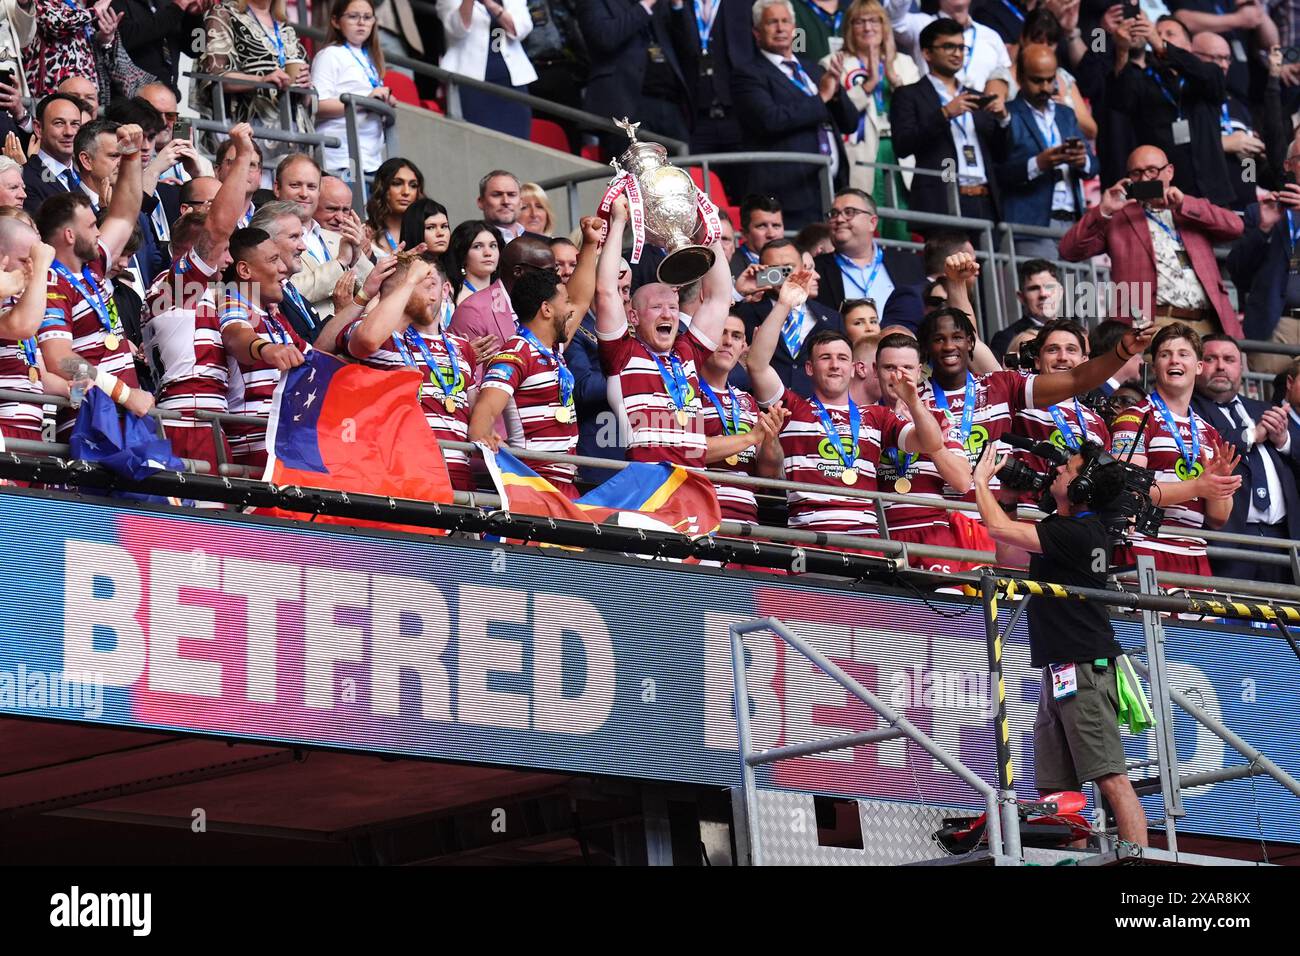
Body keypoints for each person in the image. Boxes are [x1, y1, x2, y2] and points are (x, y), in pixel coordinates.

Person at [972, 440, 1150, 847]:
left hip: (1085, 667)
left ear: (1083, 487)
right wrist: (1007, 497)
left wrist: (980, 482)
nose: (1056, 472)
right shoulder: (1070, 530)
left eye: (1067, 469)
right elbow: (1011, 550)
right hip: (1061, 668)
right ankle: (1075, 858)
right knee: (1058, 789)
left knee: (1110, 777)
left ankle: (1137, 860)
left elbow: (998, 529)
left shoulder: (1079, 532)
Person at [748, 270, 946, 536]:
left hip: (868, 544)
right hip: (810, 541)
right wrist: (784, 303)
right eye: (825, 358)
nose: (834, 365)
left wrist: (913, 401)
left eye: (842, 358)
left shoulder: (877, 416)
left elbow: (931, 442)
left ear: (854, 368)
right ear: (808, 368)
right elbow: (757, 365)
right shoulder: (793, 408)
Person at [918, 301, 1155, 507]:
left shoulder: (1002, 385)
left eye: (957, 338)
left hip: (1013, 519)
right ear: (1037, 360)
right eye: (939, 339)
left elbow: (1078, 379)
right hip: (953, 511)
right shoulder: (916, 399)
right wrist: (958, 284)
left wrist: (1122, 352)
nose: (949, 346)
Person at [142, 121, 255, 477]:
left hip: (210, 419)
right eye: (223, 250)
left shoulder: (216, 293)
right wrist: (243, 157)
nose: (228, 259)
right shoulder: (171, 286)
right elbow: (219, 226)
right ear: (194, 249)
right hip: (187, 421)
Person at [595, 196, 731, 467]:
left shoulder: (686, 352)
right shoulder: (622, 353)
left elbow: (719, 298)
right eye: (657, 307)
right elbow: (606, 290)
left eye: (672, 306)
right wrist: (619, 221)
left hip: (696, 481)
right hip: (649, 480)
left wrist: (711, 231)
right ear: (633, 316)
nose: (668, 314)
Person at [36, 124, 153, 436]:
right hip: (92, 422)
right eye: (91, 226)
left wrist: (130, 157)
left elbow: (125, 215)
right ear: (70, 235)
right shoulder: (50, 284)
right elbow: (60, 359)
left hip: (122, 415)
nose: (99, 231)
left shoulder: (94, 267)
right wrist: (124, 394)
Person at [1059, 145, 1242, 338]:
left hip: (1207, 323)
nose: (1145, 178)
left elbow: (1235, 227)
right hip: (1152, 324)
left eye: (1152, 171)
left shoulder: (1189, 208)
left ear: (1169, 171)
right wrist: (1103, 210)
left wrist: (1184, 204)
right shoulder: (1118, 216)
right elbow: (1069, 250)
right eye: (1137, 173)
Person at [1109, 323, 1241, 577]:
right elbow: (1127, 492)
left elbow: (1218, 518)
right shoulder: (1134, 418)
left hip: (1193, 552)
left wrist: (1219, 488)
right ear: (1154, 365)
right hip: (1142, 547)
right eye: (1165, 354)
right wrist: (1198, 487)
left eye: (1183, 354)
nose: (1174, 361)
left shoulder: (1209, 432)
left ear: (1199, 367)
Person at [341, 255, 481, 492]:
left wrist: (484, 431)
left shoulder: (463, 347)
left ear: (445, 290)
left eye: (430, 285)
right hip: (403, 470)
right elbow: (365, 339)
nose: (429, 295)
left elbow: (473, 409)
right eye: (419, 286)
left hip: (458, 471)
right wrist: (405, 286)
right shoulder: (384, 336)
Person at [733, 0, 857, 230]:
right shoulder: (748, 74)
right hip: (788, 194)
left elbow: (849, 123)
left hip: (831, 187)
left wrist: (836, 93)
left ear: (794, 28)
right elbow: (771, 120)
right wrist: (821, 97)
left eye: (785, 21)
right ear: (756, 32)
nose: (780, 28)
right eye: (772, 22)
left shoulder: (814, 70)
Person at [1190, 335, 1300, 582]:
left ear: (1241, 368)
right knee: (1230, 616)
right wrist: (1252, 434)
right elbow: (1208, 442)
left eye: (1229, 359)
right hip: (1229, 539)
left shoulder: (1263, 408)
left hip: (1282, 539)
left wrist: (1283, 440)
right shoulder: (1189, 409)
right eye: (1211, 359)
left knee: (1284, 616)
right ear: (1197, 366)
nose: (1221, 366)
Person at [469, 269, 583, 496]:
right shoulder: (515, 352)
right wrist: (484, 435)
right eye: (567, 301)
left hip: (562, 484)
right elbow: (486, 409)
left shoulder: (553, 353)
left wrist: (590, 243)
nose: (572, 309)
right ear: (546, 309)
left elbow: (585, 298)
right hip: (534, 485)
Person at [889, 17, 1009, 229]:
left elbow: (1001, 153)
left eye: (962, 48)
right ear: (926, 53)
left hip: (984, 200)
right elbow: (903, 145)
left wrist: (1003, 120)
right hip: (940, 199)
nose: (957, 53)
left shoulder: (977, 96)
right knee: (948, 263)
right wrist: (944, 113)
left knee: (987, 262)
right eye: (949, 47)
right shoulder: (909, 95)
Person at [1106, 13, 1234, 209]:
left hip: (1214, 195)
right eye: (1157, 33)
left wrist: (1160, 44)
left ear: (1189, 45)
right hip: (1163, 197)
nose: (1160, 36)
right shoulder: (1145, 80)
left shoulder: (1208, 74)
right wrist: (1122, 50)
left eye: (1170, 33)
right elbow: (1120, 102)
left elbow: (1211, 79)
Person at [870, 330, 974, 568]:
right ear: (875, 371)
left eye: (907, 367)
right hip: (882, 535)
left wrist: (922, 424)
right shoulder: (865, 418)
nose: (898, 375)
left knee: (947, 600)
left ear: (919, 372)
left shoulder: (940, 416)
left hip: (932, 535)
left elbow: (961, 482)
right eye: (889, 368)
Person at [210, 225, 309, 469]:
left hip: (284, 443)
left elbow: (317, 356)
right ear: (244, 270)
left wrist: (360, 301)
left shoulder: (272, 316)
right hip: (257, 450)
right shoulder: (231, 303)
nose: (283, 268)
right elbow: (235, 336)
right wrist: (265, 349)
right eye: (274, 260)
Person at [821, 0, 917, 240]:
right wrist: (870, 84)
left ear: (885, 26)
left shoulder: (905, 63)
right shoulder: (834, 62)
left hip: (898, 150)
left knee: (902, 225)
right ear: (848, 28)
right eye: (859, 21)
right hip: (861, 151)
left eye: (874, 20)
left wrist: (894, 80)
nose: (867, 27)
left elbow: (918, 107)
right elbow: (838, 113)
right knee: (866, 221)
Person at [195, 0, 314, 175]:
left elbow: (306, 97)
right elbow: (214, 76)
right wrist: (262, 79)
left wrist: (305, 85)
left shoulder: (284, 25)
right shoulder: (224, 13)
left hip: (291, 132)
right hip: (247, 128)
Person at [996, 43, 1095, 244]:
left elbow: (1094, 165)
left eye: (1050, 80)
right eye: (1037, 80)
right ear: (1020, 77)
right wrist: (1038, 164)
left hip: (1073, 223)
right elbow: (998, 172)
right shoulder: (1006, 115)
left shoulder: (1066, 114)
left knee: (1074, 278)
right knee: (1040, 277)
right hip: (1030, 226)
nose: (1045, 87)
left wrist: (1082, 160)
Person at [1009, 319, 1112, 502]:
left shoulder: (1097, 421)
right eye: (1052, 349)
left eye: (1071, 349)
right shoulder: (1016, 402)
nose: (1062, 357)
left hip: (1075, 524)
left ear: (1084, 361)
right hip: (1024, 518)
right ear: (1038, 361)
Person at [697, 311, 786, 523]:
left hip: (747, 520)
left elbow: (769, 475)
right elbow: (686, 451)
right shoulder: (686, 391)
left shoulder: (747, 401)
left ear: (743, 346)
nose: (728, 342)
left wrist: (770, 439)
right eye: (721, 333)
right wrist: (750, 438)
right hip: (699, 518)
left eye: (736, 336)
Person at [579, 0, 692, 160]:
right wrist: (644, 6)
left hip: (671, 104)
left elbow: (688, 48)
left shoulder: (662, 5)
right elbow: (603, 38)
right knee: (635, 178)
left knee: (678, 178)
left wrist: (677, 7)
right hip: (626, 105)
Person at [735, 238, 846, 397]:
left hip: (815, 415)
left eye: (789, 268)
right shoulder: (745, 313)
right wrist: (738, 293)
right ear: (763, 272)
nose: (784, 275)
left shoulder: (832, 319)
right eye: (776, 269)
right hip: (761, 411)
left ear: (804, 267)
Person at [1226, 141, 1300, 375]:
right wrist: (1262, 230)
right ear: (1289, 165)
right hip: (1274, 324)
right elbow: (1237, 272)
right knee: (1269, 408)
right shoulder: (1259, 212)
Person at [312, 0, 395, 182]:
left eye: (367, 17)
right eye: (353, 16)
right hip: (342, 156)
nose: (361, 22)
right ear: (335, 21)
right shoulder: (330, 54)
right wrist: (365, 100)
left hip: (372, 158)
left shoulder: (370, 59)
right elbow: (317, 105)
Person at [813, 187, 923, 317]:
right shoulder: (815, 270)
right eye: (834, 214)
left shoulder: (910, 264)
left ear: (872, 222)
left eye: (849, 212)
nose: (840, 219)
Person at [437, 0, 536, 140]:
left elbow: (521, 28)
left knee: (517, 142)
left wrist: (491, 5)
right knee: (478, 141)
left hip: (510, 79)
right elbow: (457, 29)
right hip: (471, 80)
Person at [0, 217, 60, 447]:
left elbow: (38, 374)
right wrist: (43, 267)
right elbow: (23, 326)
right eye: (26, 260)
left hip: (32, 428)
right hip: (5, 426)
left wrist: (72, 389)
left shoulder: (18, 302)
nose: (32, 269)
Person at [286, 166, 373, 320]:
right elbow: (288, 291)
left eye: (345, 210)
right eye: (332, 209)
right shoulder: (283, 237)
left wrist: (357, 255)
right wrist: (340, 264)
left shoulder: (341, 239)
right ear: (314, 202)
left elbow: (374, 288)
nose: (340, 218)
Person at [887, 0, 1011, 96]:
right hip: (932, 116)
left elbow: (1006, 75)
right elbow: (892, 20)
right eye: (948, 46)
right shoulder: (922, 25)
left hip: (980, 120)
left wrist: (999, 87)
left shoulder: (991, 36)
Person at [249, 198, 322, 344]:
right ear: (267, 242)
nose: (303, 247)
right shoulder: (262, 295)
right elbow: (302, 350)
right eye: (294, 237)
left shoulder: (288, 287)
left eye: (301, 236)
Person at [111, 0, 209, 94]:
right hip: (131, 96)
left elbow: (197, 49)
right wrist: (175, 10)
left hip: (167, 96)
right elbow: (124, 39)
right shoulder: (115, 3)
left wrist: (195, 17)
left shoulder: (168, 4)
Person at [22, 93, 85, 214]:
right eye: (59, 123)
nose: (69, 132)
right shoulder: (24, 179)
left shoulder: (85, 178)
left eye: (75, 124)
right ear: (38, 129)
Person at [989, 258, 1061, 359]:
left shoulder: (1076, 332)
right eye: (1034, 288)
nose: (1043, 294)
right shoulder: (1006, 338)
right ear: (1021, 297)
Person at [365, 157, 422, 256]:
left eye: (413, 185)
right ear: (382, 187)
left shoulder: (427, 230)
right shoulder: (365, 233)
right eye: (397, 183)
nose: (406, 192)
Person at [213, 134, 264, 227]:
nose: (244, 170)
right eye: (236, 163)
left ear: (260, 175)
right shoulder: (205, 214)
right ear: (217, 171)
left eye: (251, 164)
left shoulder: (268, 220)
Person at [447, 220, 501, 306]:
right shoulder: (451, 296)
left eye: (493, 245)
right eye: (477, 246)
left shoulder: (504, 294)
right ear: (462, 254)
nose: (488, 253)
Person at [731, 193, 784, 274]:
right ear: (745, 234)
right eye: (762, 226)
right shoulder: (730, 265)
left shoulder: (796, 258)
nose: (771, 234)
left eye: (776, 226)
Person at [477, 170, 524, 243]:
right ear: (481, 202)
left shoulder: (540, 241)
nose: (506, 201)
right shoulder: (469, 242)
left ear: (521, 202)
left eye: (511, 195)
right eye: (496, 195)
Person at [399, 196, 451, 262]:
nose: (440, 233)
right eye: (431, 227)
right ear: (414, 232)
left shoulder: (455, 267)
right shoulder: (401, 270)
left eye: (444, 226)